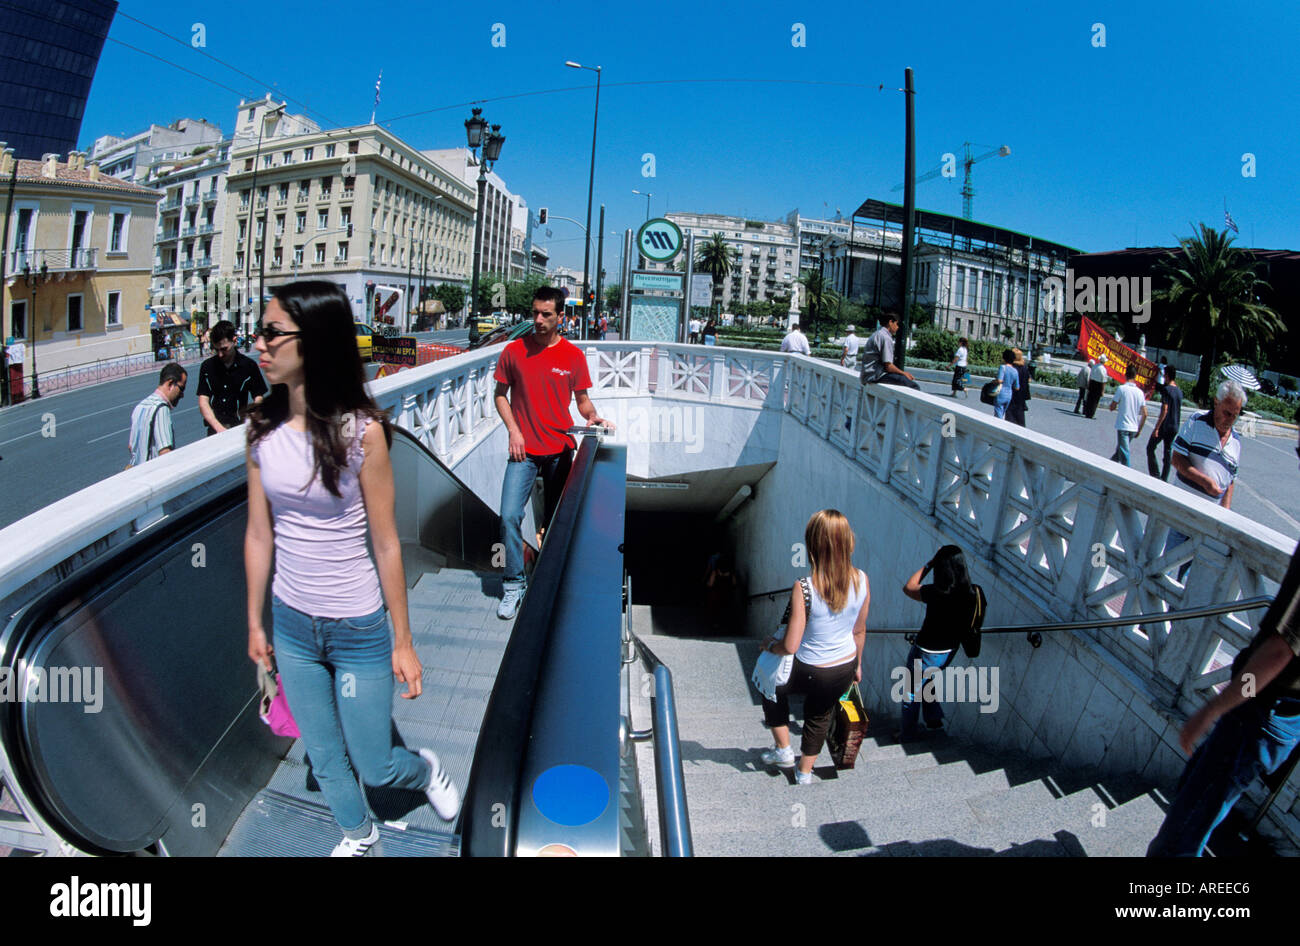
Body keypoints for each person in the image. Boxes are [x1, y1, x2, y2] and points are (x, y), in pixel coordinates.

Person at [244, 281, 460, 858]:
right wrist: (255, 623)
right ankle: (359, 835)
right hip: (292, 623)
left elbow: (387, 543)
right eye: (258, 330)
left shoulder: (362, 432)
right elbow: (259, 532)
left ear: (313, 342)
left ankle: (424, 770)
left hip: (357, 625)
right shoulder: (260, 428)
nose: (258, 343)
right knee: (323, 754)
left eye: (271, 333)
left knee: (376, 763)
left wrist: (404, 642)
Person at [1147, 426, 1300, 856]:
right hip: (1282, 716)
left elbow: (1279, 652)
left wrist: (1213, 709)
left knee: (1186, 827)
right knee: (1201, 806)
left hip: (1262, 708)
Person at [495, 286, 613, 620]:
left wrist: (593, 417)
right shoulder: (514, 351)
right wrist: (514, 430)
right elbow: (500, 395)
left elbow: (582, 400)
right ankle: (513, 582)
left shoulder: (573, 356)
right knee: (508, 516)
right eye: (535, 312)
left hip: (561, 450)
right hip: (524, 453)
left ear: (561, 317)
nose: (538, 319)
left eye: (546, 314)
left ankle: (552, 579)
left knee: (557, 522)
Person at [757, 510, 869, 785]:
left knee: (770, 686)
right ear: (847, 542)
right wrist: (857, 666)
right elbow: (859, 630)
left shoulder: (805, 587)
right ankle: (804, 774)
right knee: (819, 715)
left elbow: (791, 645)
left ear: (813, 545)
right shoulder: (862, 579)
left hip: (810, 667)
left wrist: (770, 645)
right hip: (844, 664)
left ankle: (783, 749)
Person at [1164, 381, 1247, 582]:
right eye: (1227, 413)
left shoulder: (1236, 442)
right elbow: (1177, 459)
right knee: (1163, 569)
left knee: (1189, 582)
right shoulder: (1196, 421)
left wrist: (1224, 513)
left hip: (1208, 524)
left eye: (1235, 416)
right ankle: (1150, 612)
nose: (1230, 420)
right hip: (1182, 512)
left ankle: (1176, 614)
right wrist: (1204, 482)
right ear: (1216, 402)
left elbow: (1231, 481)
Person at [899, 546, 985, 739]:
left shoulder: (936, 592)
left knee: (911, 692)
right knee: (928, 678)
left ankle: (907, 735)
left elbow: (909, 587)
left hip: (925, 650)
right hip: (949, 651)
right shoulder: (975, 593)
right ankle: (933, 721)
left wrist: (930, 563)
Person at [197, 320, 268, 436]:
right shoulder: (207, 367)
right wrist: (219, 428)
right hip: (215, 429)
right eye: (216, 349)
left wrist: (252, 419)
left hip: (240, 428)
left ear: (234, 341)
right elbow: (203, 401)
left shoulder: (249, 365)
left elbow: (258, 396)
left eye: (224, 349)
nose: (220, 354)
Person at [127, 362, 187, 466]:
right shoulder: (161, 409)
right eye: (181, 389)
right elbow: (165, 453)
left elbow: (131, 447)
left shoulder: (140, 406)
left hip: (136, 473)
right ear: (170, 384)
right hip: (151, 474)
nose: (182, 395)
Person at [859, 312, 920, 389]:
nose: (897, 327)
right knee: (914, 386)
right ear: (890, 322)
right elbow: (888, 367)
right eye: (896, 324)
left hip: (867, 375)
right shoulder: (885, 337)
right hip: (876, 376)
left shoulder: (876, 334)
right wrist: (904, 373)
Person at [1146, 365, 1182, 480]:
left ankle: (1155, 475)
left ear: (1166, 375)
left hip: (1165, 425)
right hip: (1174, 425)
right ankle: (1164, 478)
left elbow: (1164, 410)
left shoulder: (1166, 390)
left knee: (1150, 447)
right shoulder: (1179, 392)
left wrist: (1156, 428)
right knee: (1167, 452)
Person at [1108, 362, 1147, 466]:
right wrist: (1140, 429)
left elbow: (1112, 407)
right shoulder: (1140, 392)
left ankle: (1127, 477)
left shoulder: (1122, 389)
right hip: (1133, 427)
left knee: (1124, 454)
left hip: (1123, 426)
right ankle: (1108, 467)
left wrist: (1113, 406)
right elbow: (1145, 414)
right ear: (1135, 376)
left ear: (1125, 374)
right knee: (1120, 451)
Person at [1004, 348, 1032, 426]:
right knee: (1020, 418)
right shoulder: (1024, 368)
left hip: (1011, 394)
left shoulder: (1011, 368)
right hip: (1021, 396)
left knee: (1010, 417)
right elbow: (1028, 380)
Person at [991, 348, 1019, 420]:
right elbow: (1017, 387)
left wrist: (994, 381)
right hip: (1009, 395)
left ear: (1004, 358)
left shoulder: (1002, 367)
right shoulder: (1015, 371)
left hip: (1000, 393)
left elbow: (1000, 380)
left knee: (998, 414)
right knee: (1002, 413)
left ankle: (999, 429)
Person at [4, 336, 24, 404]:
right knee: (15, 383)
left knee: (15, 383)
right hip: (14, 368)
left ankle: (16, 398)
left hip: (14, 368)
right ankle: (17, 398)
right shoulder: (9, 350)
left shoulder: (9, 350)